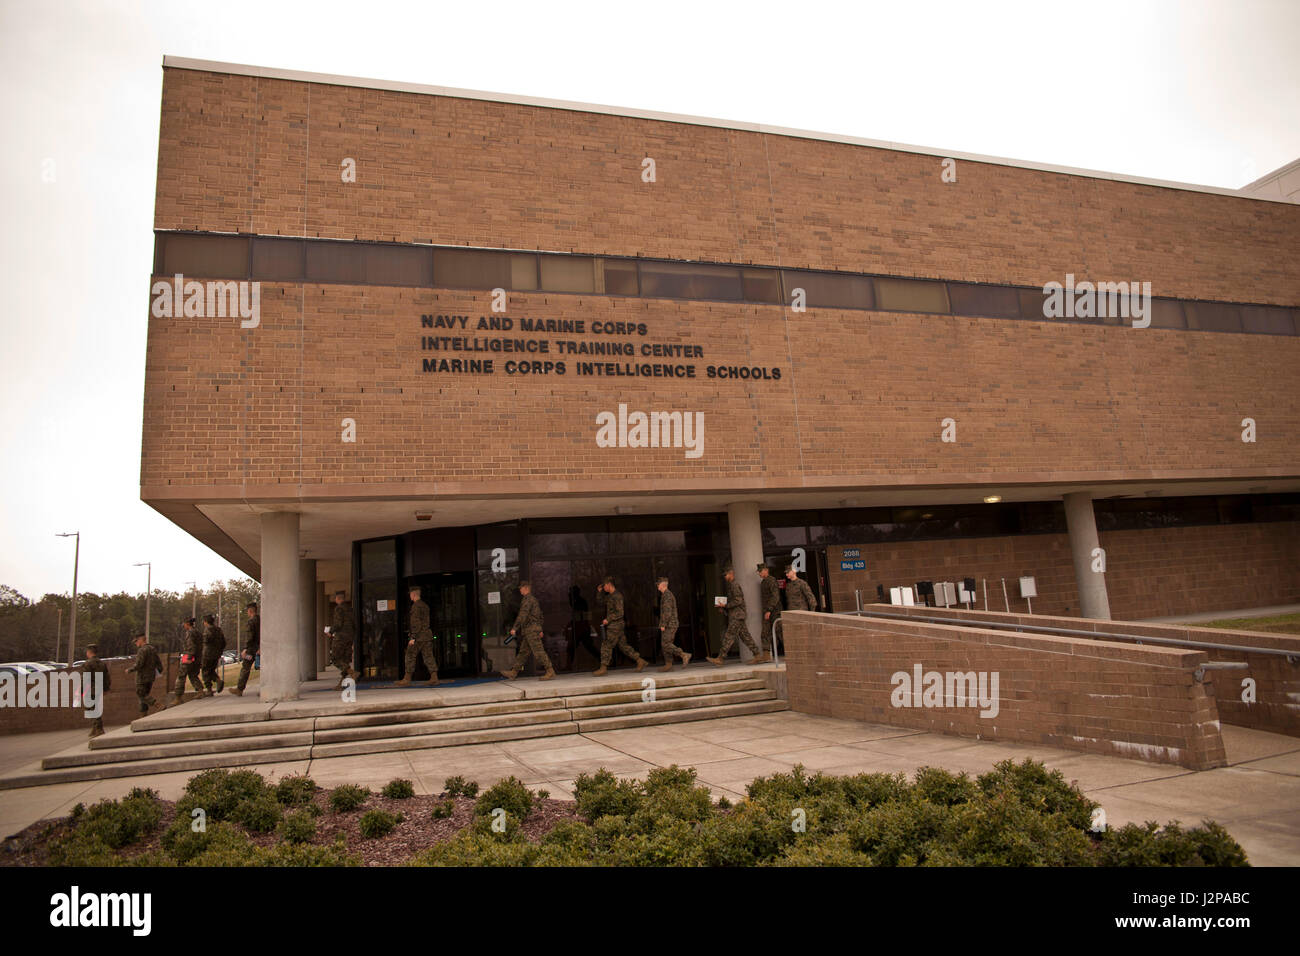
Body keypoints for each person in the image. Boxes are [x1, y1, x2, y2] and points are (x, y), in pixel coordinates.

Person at [708, 566, 765, 665]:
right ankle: (757, 655)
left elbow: (738, 601)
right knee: (745, 637)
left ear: (731, 574)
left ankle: (720, 658)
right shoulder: (731, 585)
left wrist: (725, 605)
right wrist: (724, 608)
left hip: (737, 616)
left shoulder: (734, 585)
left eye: (726, 575)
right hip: (737, 615)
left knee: (729, 636)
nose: (725, 577)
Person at [502, 581, 555, 681]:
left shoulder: (528, 600)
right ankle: (514, 672)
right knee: (523, 652)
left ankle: (550, 670)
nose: (520, 590)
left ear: (526, 588)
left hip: (531, 631)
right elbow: (540, 615)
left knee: (538, 651)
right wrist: (540, 629)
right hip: (530, 631)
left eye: (521, 588)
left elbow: (523, 615)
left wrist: (515, 628)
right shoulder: (533, 600)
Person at [594, 576, 647, 677]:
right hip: (615, 626)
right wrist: (599, 592)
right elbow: (601, 602)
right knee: (623, 646)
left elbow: (620, 613)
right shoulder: (610, 596)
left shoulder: (617, 596)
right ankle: (640, 661)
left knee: (606, 645)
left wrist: (608, 620)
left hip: (615, 626)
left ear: (609, 585)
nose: (604, 588)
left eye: (604, 586)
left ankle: (603, 668)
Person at [395, 586, 439, 687]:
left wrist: (413, 637)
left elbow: (416, 623)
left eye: (410, 594)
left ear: (413, 594)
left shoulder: (415, 606)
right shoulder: (425, 605)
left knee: (410, 655)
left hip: (419, 636)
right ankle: (434, 677)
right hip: (427, 635)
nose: (410, 596)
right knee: (428, 656)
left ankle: (407, 678)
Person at [656, 576, 691, 671]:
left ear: (662, 585)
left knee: (666, 644)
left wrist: (663, 624)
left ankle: (683, 655)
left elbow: (667, 612)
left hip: (670, 624)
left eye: (658, 584)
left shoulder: (667, 595)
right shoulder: (666, 595)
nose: (657, 586)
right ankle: (668, 663)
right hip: (670, 623)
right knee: (665, 644)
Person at [329, 591, 360, 689]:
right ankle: (341, 684)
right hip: (349, 637)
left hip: (341, 637)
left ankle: (352, 673)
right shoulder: (350, 609)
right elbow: (355, 624)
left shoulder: (339, 608)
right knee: (345, 660)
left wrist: (330, 631)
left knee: (335, 658)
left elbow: (338, 624)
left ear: (337, 599)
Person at [126, 632, 161, 714]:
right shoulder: (152, 649)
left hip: (142, 677)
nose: (135, 643)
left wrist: (130, 670)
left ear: (141, 639)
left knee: (141, 694)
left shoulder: (142, 650)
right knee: (144, 696)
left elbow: (139, 664)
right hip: (151, 677)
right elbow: (159, 663)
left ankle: (158, 705)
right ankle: (143, 714)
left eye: (136, 641)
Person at [229, 603, 259, 696]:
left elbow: (249, 637)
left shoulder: (251, 622)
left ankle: (239, 689)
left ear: (250, 611)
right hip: (260, 648)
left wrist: (245, 648)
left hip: (251, 649)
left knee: (245, 667)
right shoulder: (260, 620)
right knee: (263, 667)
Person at [81, 644, 110, 741]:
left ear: (89, 652)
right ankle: (95, 728)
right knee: (95, 708)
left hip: (90, 689)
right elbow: (106, 677)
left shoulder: (88, 664)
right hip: (99, 689)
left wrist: (82, 691)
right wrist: (106, 689)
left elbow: (85, 678)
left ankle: (99, 729)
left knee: (91, 709)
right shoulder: (102, 663)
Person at [172, 617, 206, 700]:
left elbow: (191, 646)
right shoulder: (197, 632)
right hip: (197, 656)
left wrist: (189, 657)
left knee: (181, 676)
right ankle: (200, 691)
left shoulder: (189, 633)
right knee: (193, 674)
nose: (183, 626)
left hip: (188, 655)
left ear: (187, 624)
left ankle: (178, 697)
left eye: (184, 624)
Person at [200, 613, 227, 696]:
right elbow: (224, 642)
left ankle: (209, 689)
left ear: (206, 622)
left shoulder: (208, 630)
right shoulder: (219, 630)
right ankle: (218, 680)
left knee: (205, 671)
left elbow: (206, 641)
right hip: (216, 654)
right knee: (211, 670)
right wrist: (219, 650)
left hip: (208, 654)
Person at [758, 563, 781, 656]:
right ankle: (766, 655)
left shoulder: (771, 580)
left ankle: (791, 652)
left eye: (760, 571)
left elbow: (775, 596)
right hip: (767, 611)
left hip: (774, 611)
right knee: (765, 632)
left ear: (766, 570)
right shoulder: (763, 582)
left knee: (780, 632)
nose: (759, 573)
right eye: (758, 572)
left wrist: (769, 610)